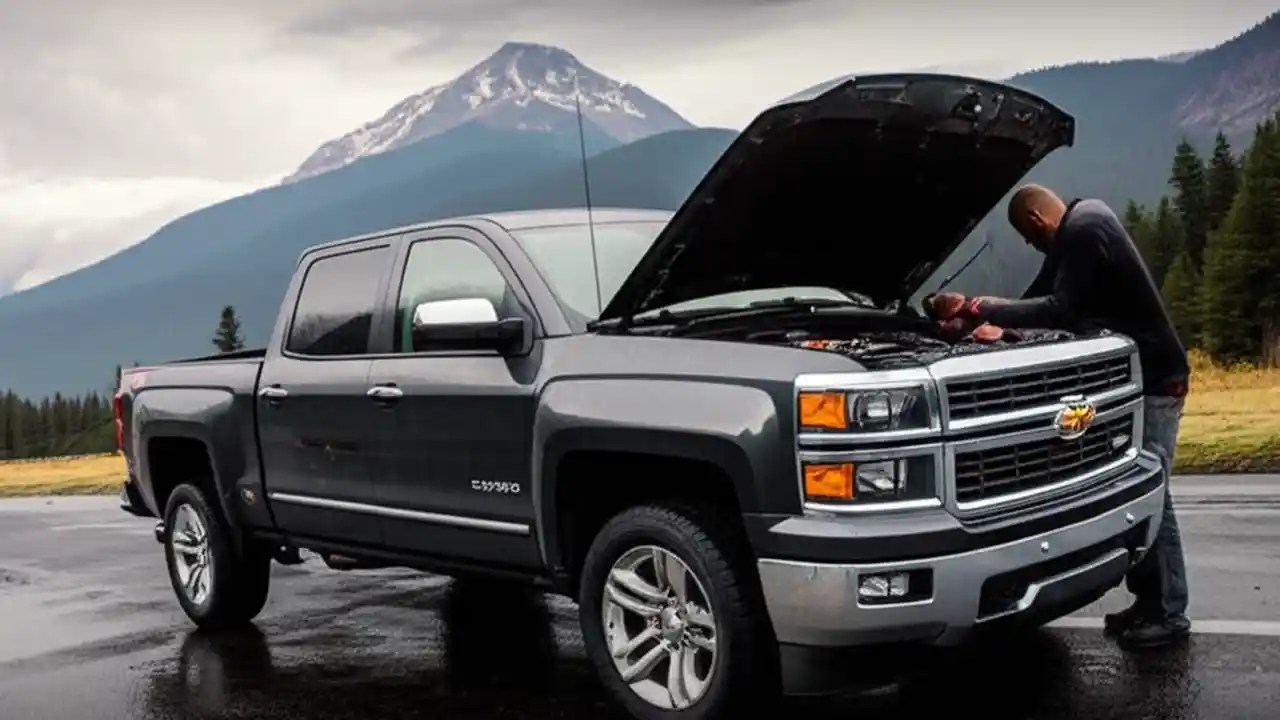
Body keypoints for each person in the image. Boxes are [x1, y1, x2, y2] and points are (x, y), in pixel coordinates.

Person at [927, 184, 1192, 649]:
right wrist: (990, 324)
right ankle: (1150, 604)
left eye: (1029, 240)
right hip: (1138, 380)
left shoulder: (1085, 229)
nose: (1034, 247)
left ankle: (1169, 613)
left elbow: (1060, 309)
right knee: (1138, 485)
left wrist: (976, 307)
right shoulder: (1081, 225)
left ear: (1035, 222)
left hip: (1156, 380)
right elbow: (1040, 295)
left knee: (1154, 493)